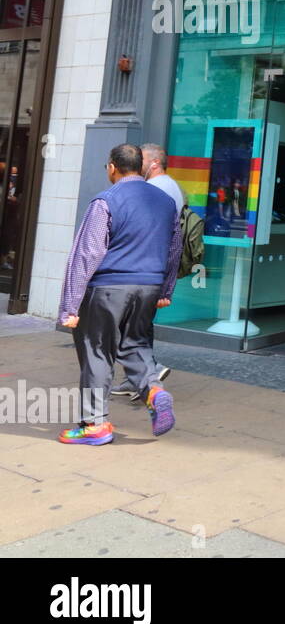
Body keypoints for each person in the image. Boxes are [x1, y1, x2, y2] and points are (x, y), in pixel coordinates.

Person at [57, 144, 182, 445]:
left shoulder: (106, 201)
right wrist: (165, 289)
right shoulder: (166, 202)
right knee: (135, 342)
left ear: (112, 167)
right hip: (149, 286)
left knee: (97, 350)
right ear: (140, 166)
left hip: (109, 288)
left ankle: (95, 425)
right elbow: (174, 249)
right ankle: (152, 388)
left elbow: (86, 255)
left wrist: (69, 307)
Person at [109, 143, 180, 399]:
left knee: (127, 329)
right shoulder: (168, 187)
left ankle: (149, 374)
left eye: (142, 161)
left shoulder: (155, 190)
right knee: (137, 327)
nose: (137, 168)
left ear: (154, 163)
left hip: (139, 272)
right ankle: (141, 379)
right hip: (150, 274)